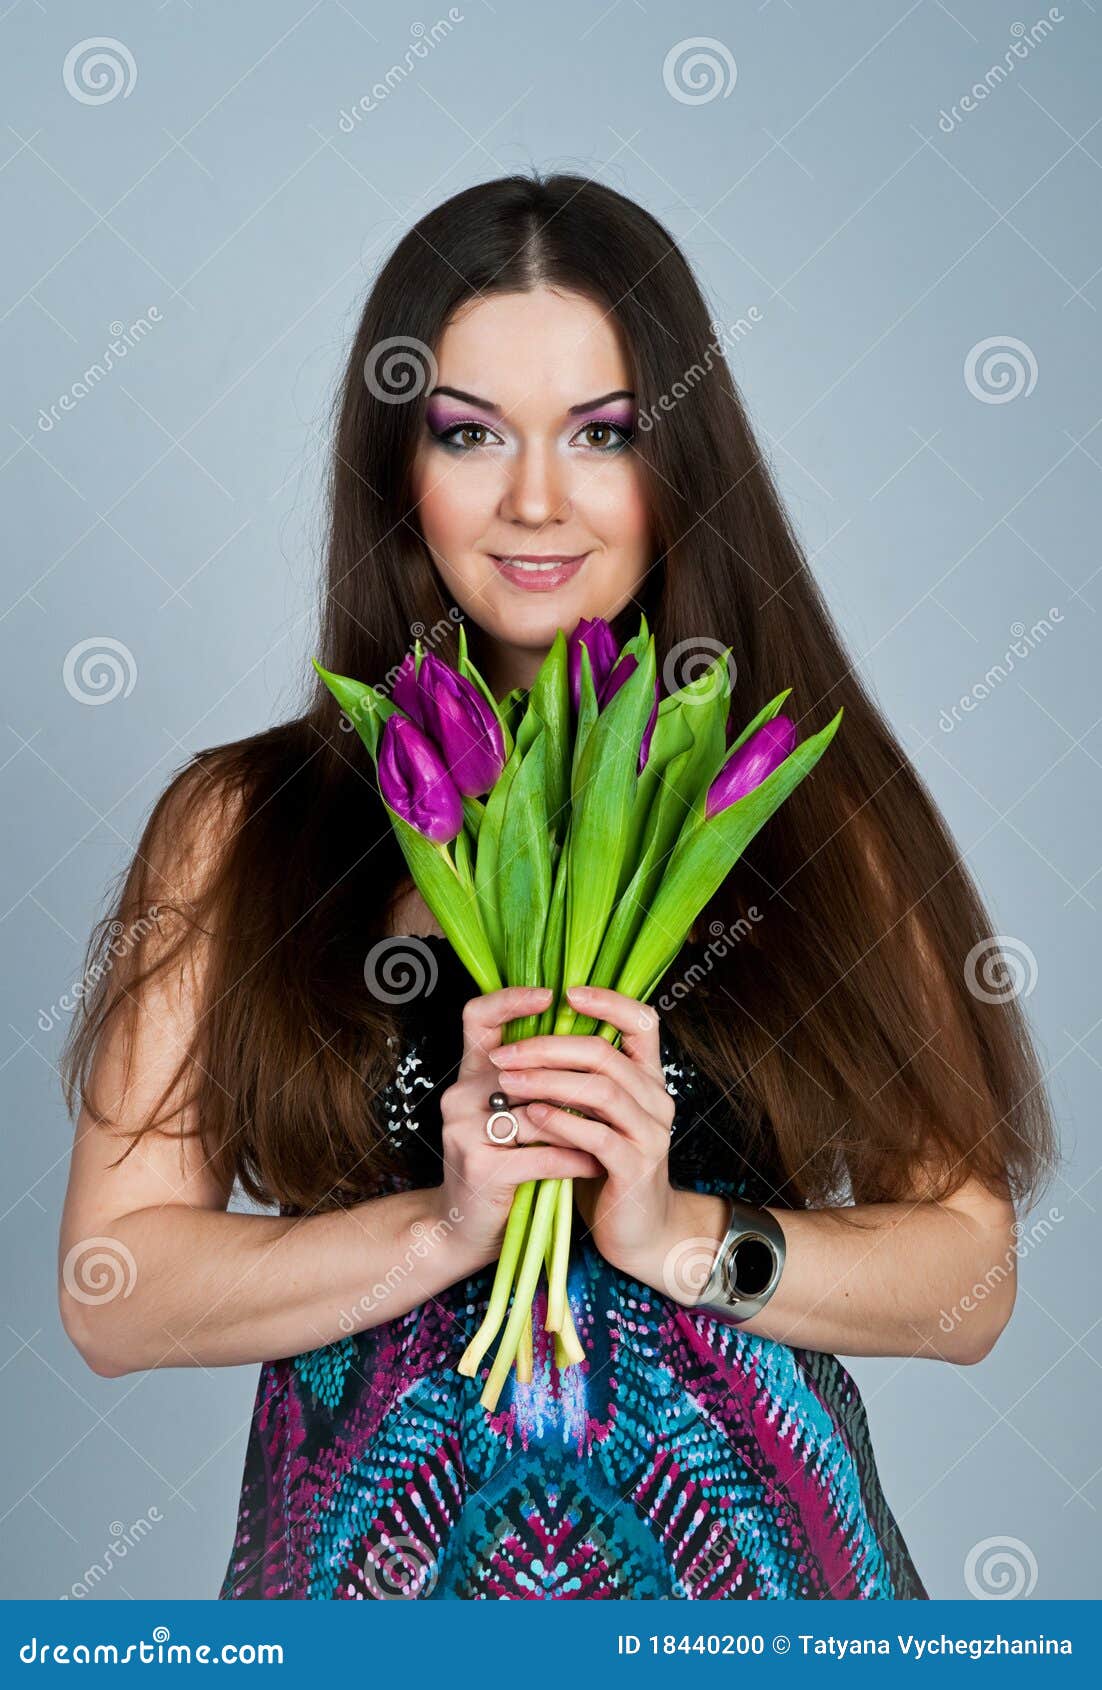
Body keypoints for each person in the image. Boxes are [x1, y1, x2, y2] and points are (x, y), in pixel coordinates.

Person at [57, 173, 1056, 1601]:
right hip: (366, 1605)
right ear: (398, 466)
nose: (535, 498)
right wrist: (442, 1226)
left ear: (681, 464)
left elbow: (968, 1280)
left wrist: (676, 1234)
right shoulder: (242, 824)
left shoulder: (810, 816)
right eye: (469, 434)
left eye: (602, 434)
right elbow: (117, 1289)